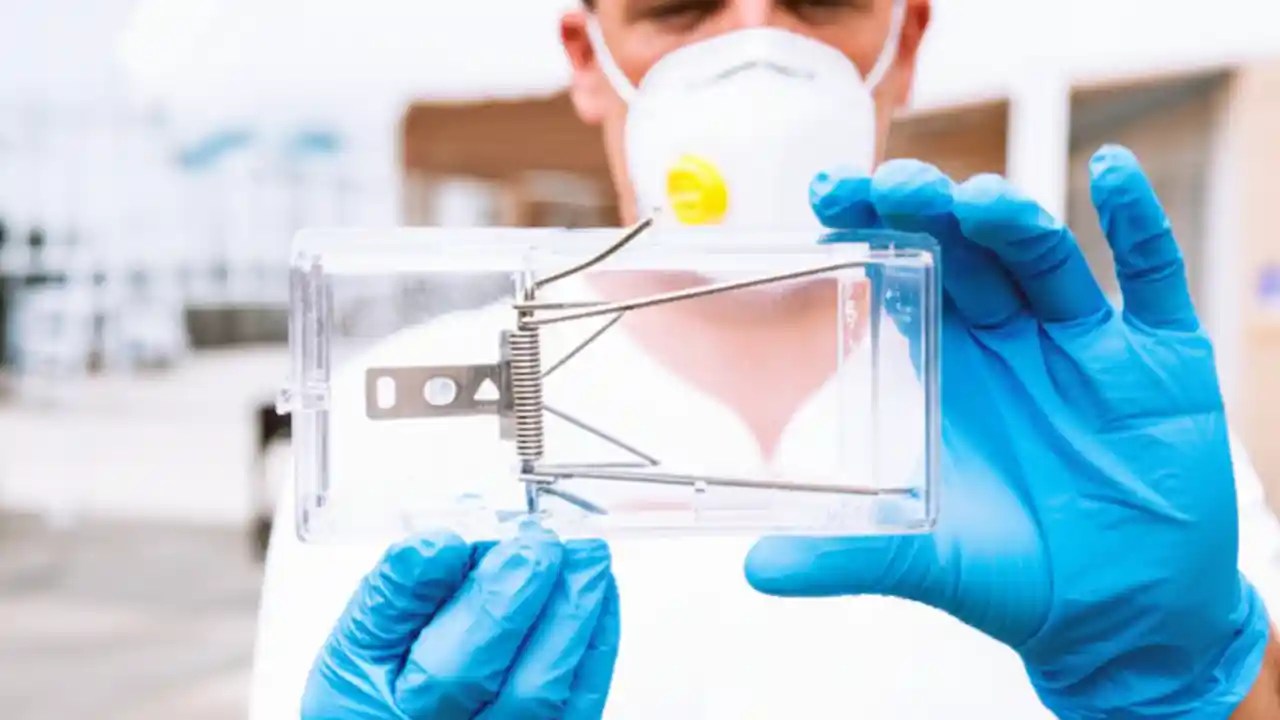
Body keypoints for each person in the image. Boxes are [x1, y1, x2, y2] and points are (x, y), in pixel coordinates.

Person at [250, 0, 1280, 717]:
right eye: (680, 5)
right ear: (585, 57)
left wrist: (1188, 684)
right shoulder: (374, 431)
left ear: (904, 36)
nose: (757, 52)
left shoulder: (1084, 427)